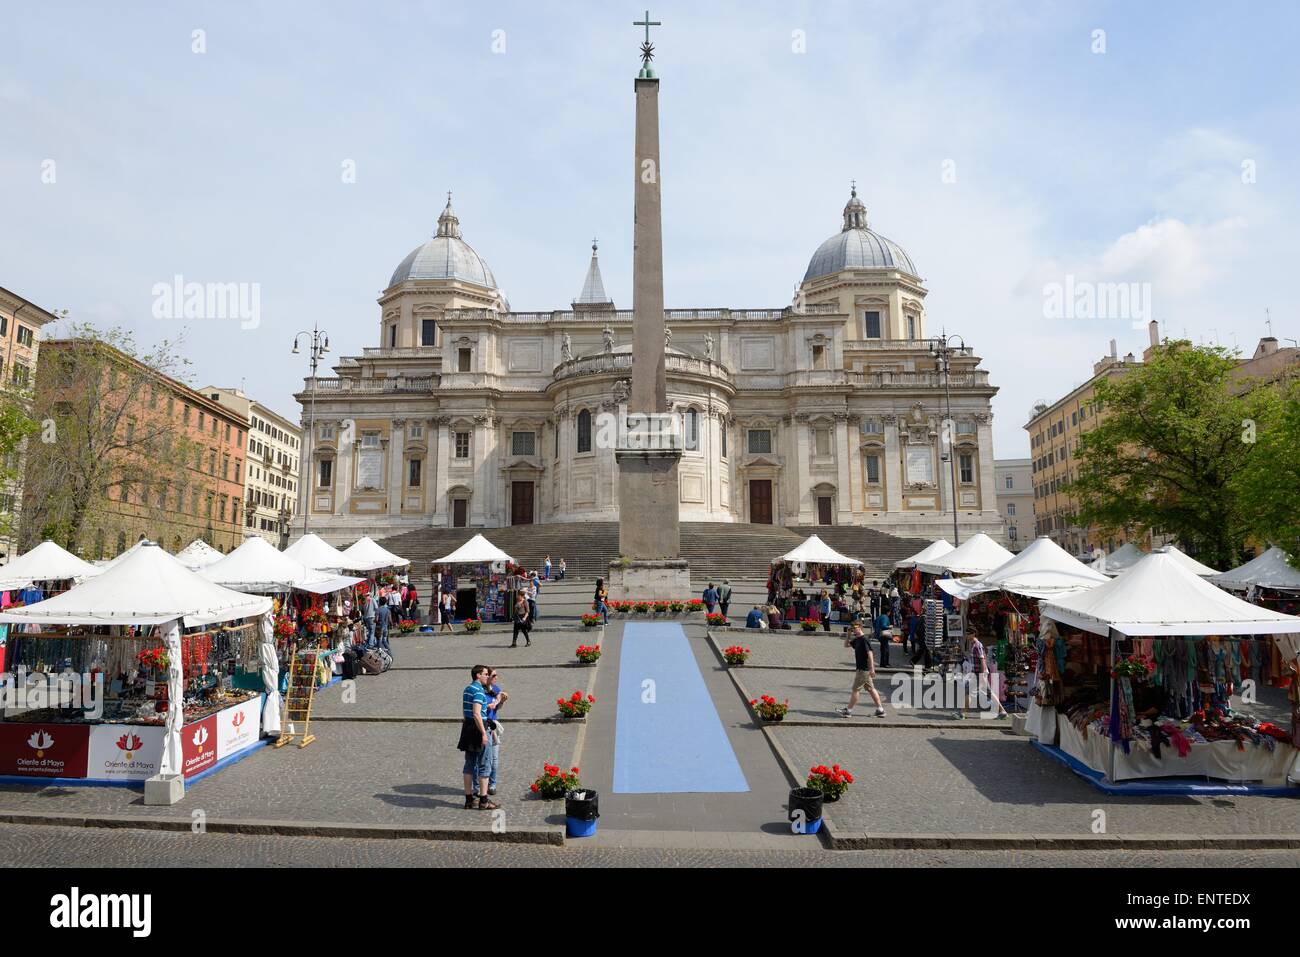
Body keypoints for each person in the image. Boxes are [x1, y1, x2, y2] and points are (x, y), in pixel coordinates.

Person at [458, 665, 500, 810]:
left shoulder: (467, 689)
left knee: (469, 764)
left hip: (468, 727)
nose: (488, 677)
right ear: (478, 676)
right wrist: (483, 733)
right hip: (479, 727)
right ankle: (483, 800)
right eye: (485, 674)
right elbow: (477, 713)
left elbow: (468, 711)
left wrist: (485, 707)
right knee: (484, 765)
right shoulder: (480, 692)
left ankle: (469, 799)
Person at [838, 622, 887, 718]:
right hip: (863, 670)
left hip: (863, 670)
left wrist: (872, 669)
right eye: (852, 628)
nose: (853, 630)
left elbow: (870, 654)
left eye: (854, 628)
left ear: (860, 627)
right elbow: (846, 645)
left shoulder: (864, 639)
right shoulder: (857, 640)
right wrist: (848, 635)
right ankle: (880, 710)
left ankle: (848, 711)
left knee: (855, 690)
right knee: (871, 689)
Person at [485, 669, 508, 796]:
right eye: (494, 675)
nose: (496, 677)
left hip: (493, 726)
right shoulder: (481, 690)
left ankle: (492, 784)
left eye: (496, 675)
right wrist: (488, 706)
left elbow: (498, 707)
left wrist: (502, 701)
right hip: (483, 726)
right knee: (482, 760)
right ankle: (479, 785)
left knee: (494, 759)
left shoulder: (496, 689)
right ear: (487, 676)